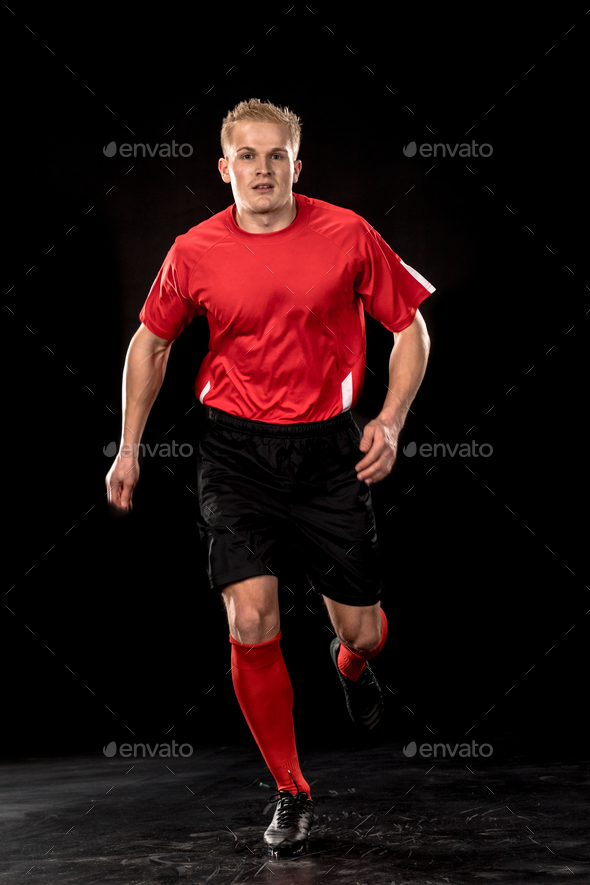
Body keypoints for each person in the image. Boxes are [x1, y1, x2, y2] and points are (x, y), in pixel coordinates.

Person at [105, 98, 434, 858]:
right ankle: (291, 788)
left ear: (296, 164)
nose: (262, 169)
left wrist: (389, 420)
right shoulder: (193, 250)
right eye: (247, 157)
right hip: (235, 453)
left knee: (364, 629)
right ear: (224, 169)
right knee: (250, 620)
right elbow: (150, 345)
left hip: (328, 453)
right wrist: (128, 447)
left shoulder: (348, 234)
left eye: (275, 155)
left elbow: (410, 327)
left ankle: (350, 663)